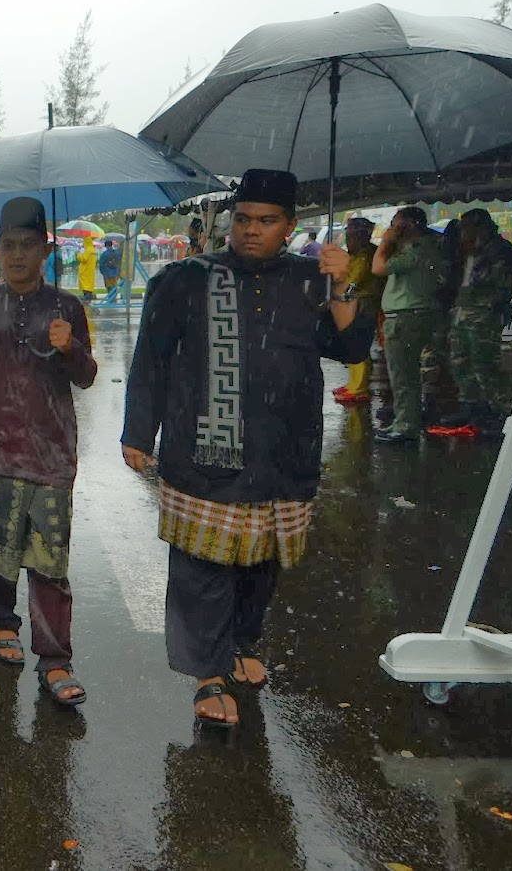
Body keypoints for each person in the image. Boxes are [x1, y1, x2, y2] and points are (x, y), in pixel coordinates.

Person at [121, 169, 368, 728]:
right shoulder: (186, 278)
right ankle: (208, 672)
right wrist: (139, 433)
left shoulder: (313, 280)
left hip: (284, 450)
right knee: (203, 564)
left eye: (266, 221)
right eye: (243, 220)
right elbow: (152, 361)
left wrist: (344, 287)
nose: (251, 231)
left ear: (290, 226)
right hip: (205, 449)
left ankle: (241, 641)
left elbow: (350, 345)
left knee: (262, 560)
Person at [0, 196, 97, 706]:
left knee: (50, 560)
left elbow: (87, 376)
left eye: (27, 246)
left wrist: (69, 347)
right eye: (8, 246)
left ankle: (55, 658)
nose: (16, 256)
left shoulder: (69, 308)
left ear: (45, 250)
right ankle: (2, 625)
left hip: (52, 452)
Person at [430, 209, 512, 437]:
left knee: (483, 363)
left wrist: (471, 253)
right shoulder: (464, 250)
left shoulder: (498, 248)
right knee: (460, 361)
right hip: (462, 309)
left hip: (484, 312)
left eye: (467, 227)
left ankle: (502, 411)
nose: (462, 232)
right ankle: (471, 406)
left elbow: (498, 280)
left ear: (480, 226)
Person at [371, 207, 445, 444]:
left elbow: (378, 268)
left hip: (405, 316)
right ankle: (405, 420)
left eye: (396, 224)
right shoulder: (428, 246)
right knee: (406, 374)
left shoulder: (416, 249)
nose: (392, 229)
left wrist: (384, 242)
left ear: (409, 226)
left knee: (403, 375)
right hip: (413, 314)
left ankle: (406, 425)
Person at [332, 217, 379, 405]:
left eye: (350, 235)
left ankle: (359, 387)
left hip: (364, 304)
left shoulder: (366, 255)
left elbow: (354, 281)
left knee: (359, 343)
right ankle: (353, 383)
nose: (347, 239)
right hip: (355, 303)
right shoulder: (355, 255)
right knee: (351, 343)